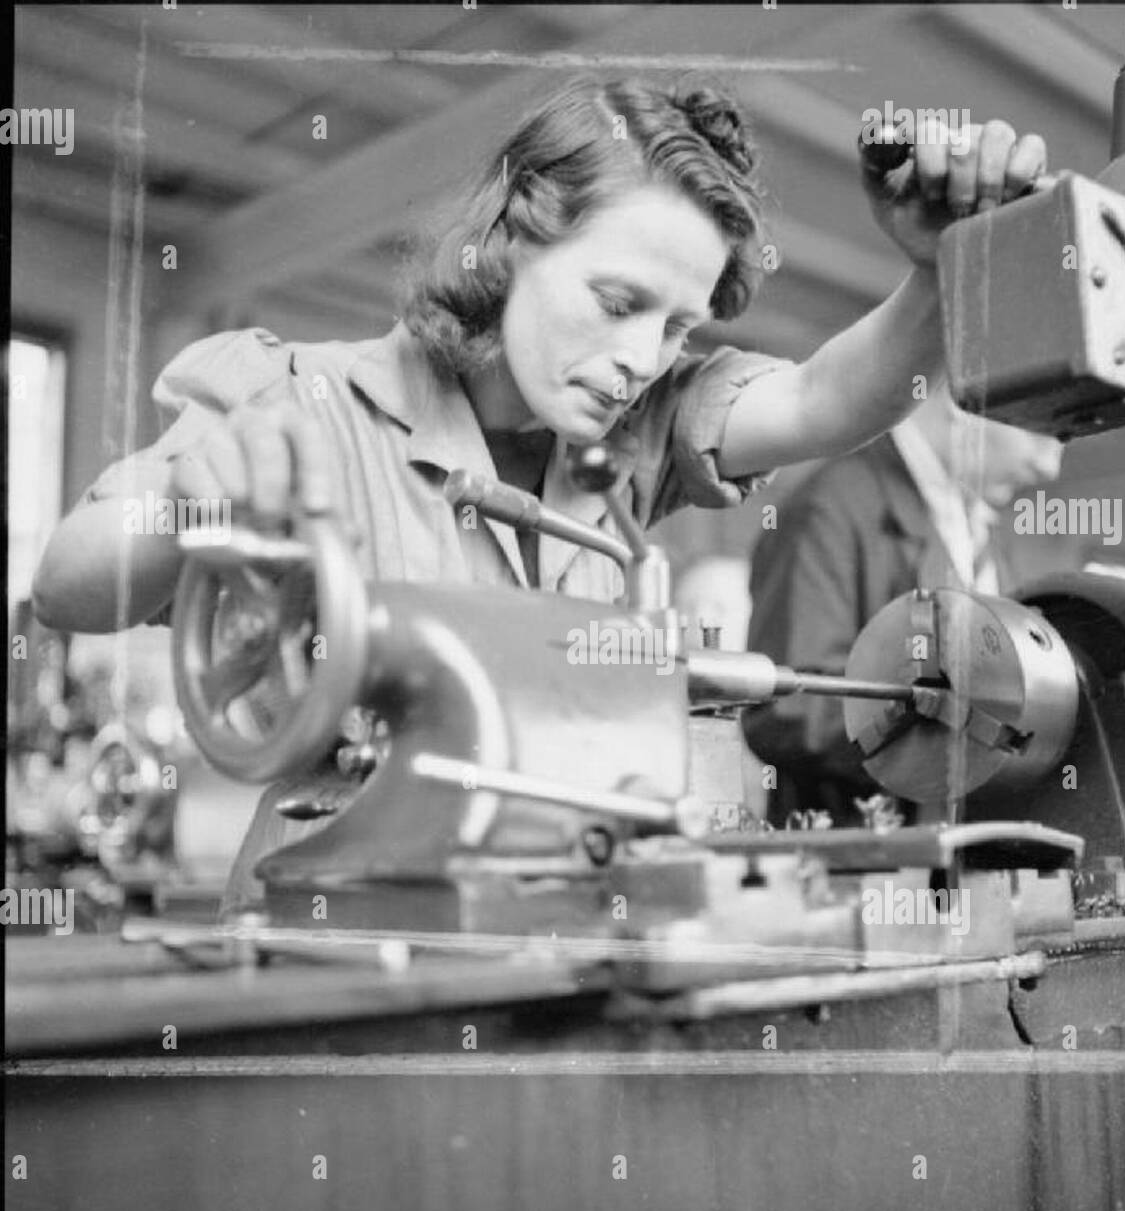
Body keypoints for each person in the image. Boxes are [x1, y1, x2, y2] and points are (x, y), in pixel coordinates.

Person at [31, 79, 1050, 915]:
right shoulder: (304, 398)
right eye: (617, 303)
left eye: (677, 327)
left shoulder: (636, 433)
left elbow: (828, 399)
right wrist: (183, 503)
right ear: (514, 235)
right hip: (326, 929)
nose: (638, 359)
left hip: (553, 928)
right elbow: (71, 584)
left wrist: (936, 267)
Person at [741, 378, 1064, 827]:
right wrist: (954, 735)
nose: (1050, 464)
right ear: (962, 399)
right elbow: (789, 708)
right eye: (1047, 427)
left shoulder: (971, 527)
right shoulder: (830, 506)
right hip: (856, 864)